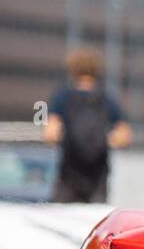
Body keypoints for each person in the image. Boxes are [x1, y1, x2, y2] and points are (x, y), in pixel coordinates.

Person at [42, 48, 131, 203]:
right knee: (94, 221)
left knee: (61, 218)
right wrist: (102, 142)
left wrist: (68, 139)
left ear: (72, 70)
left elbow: (50, 134)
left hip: (69, 174)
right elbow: (124, 136)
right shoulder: (106, 99)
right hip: (98, 176)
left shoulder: (63, 97)